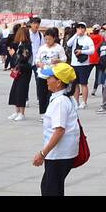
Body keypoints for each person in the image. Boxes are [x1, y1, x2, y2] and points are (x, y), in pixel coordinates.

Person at [33, 62, 82, 196]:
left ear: (59, 82)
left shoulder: (60, 102)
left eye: (50, 78)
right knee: (53, 187)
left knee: (50, 189)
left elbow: (59, 130)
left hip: (59, 154)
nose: (47, 80)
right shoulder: (64, 98)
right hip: (62, 153)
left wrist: (43, 154)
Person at [7, 22, 34, 120]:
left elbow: (23, 58)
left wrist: (14, 55)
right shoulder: (21, 44)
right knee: (15, 90)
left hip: (25, 70)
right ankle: (17, 111)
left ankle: (22, 113)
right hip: (19, 70)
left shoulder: (26, 45)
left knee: (22, 91)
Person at [68, 22, 95, 109]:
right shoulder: (75, 38)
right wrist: (76, 34)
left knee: (83, 83)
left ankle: (84, 101)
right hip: (74, 64)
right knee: (75, 84)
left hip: (84, 64)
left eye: (82, 28)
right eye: (78, 28)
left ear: (85, 29)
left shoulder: (87, 39)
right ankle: (76, 101)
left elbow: (92, 50)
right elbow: (68, 44)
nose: (80, 29)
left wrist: (82, 52)